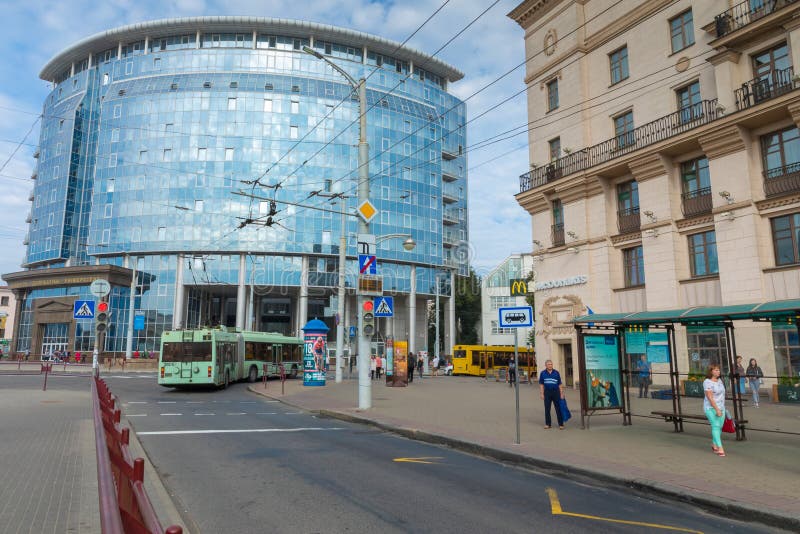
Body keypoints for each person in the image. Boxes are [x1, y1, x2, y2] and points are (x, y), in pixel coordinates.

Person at [703, 364, 727, 457]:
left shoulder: (720, 380)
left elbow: (722, 395)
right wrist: (717, 409)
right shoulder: (707, 382)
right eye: (716, 370)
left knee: (720, 427)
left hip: (721, 407)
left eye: (719, 370)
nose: (718, 372)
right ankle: (720, 448)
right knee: (716, 426)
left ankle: (714, 444)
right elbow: (710, 397)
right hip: (710, 408)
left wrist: (721, 408)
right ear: (711, 371)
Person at [539, 359, 565, 429]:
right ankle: (548, 424)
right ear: (546, 365)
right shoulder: (542, 373)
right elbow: (541, 384)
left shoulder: (556, 373)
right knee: (547, 409)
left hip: (556, 392)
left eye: (551, 364)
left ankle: (561, 424)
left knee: (558, 408)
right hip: (547, 392)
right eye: (549, 364)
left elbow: (559, 384)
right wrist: (541, 393)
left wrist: (561, 393)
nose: (550, 366)